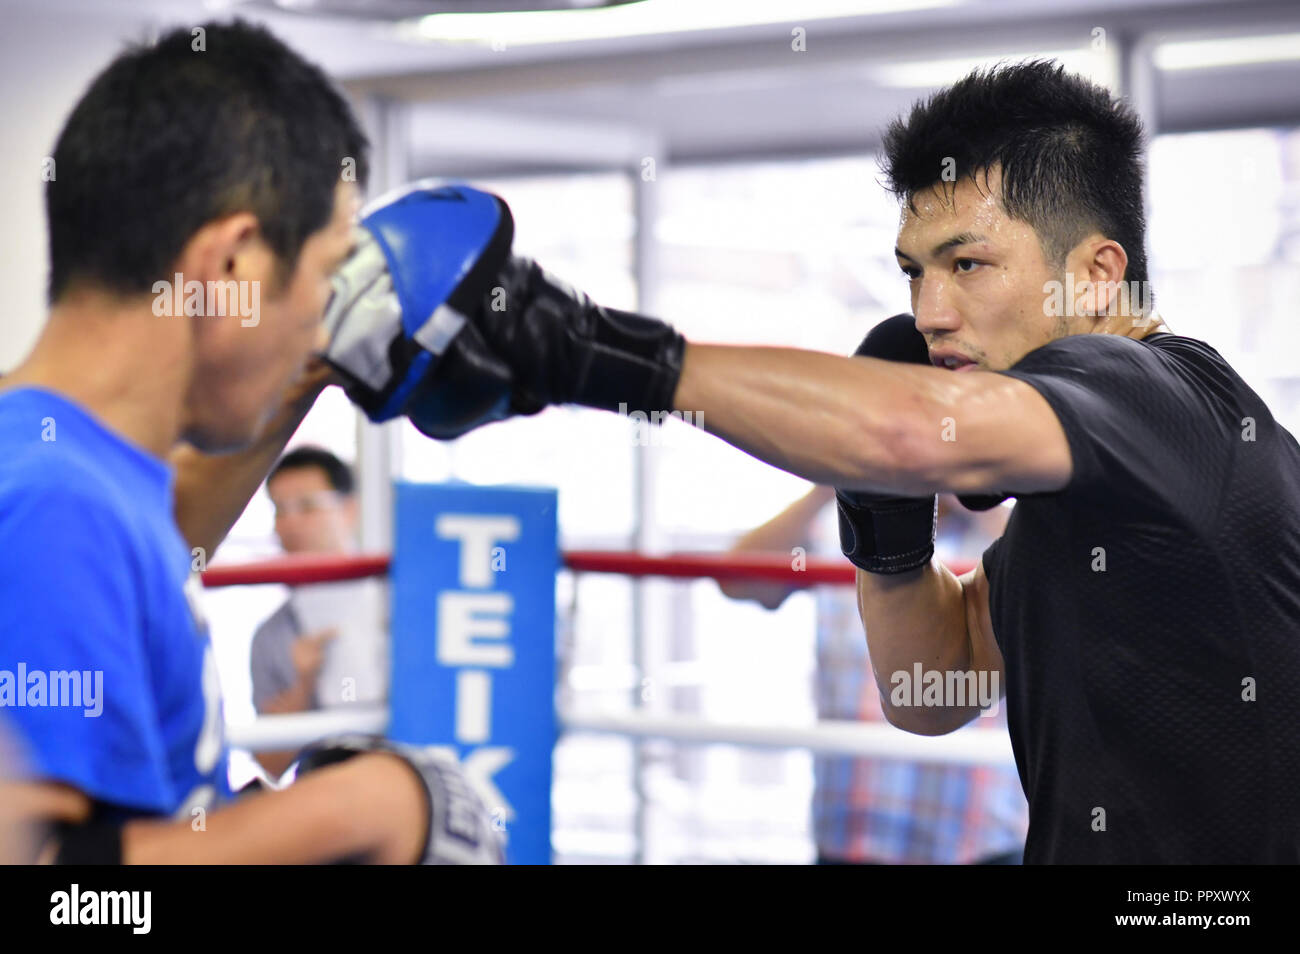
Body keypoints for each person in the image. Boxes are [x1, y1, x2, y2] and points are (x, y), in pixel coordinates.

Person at [388, 59, 1300, 863]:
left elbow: (915, 431)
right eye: (913, 271)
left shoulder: (1154, 395)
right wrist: (885, 516)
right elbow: (929, 687)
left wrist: (587, 351)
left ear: (1098, 275)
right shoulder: (1095, 490)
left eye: (968, 264)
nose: (930, 310)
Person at [0, 21, 497, 864]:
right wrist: (363, 809)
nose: (321, 321)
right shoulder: (54, 502)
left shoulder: (84, 472)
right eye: (325, 276)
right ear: (229, 267)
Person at [721, 488, 1027, 864]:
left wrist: (969, 488)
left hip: (977, 840)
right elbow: (737, 579)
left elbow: (1055, 579)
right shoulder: (845, 527)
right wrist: (841, 473)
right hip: (853, 832)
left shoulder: (1006, 538)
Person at [251, 446, 388, 778]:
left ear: (349, 510)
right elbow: (270, 765)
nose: (289, 523)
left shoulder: (400, 601)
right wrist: (304, 684)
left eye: (307, 506)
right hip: (325, 798)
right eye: (279, 510)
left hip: (411, 786)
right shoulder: (273, 634)